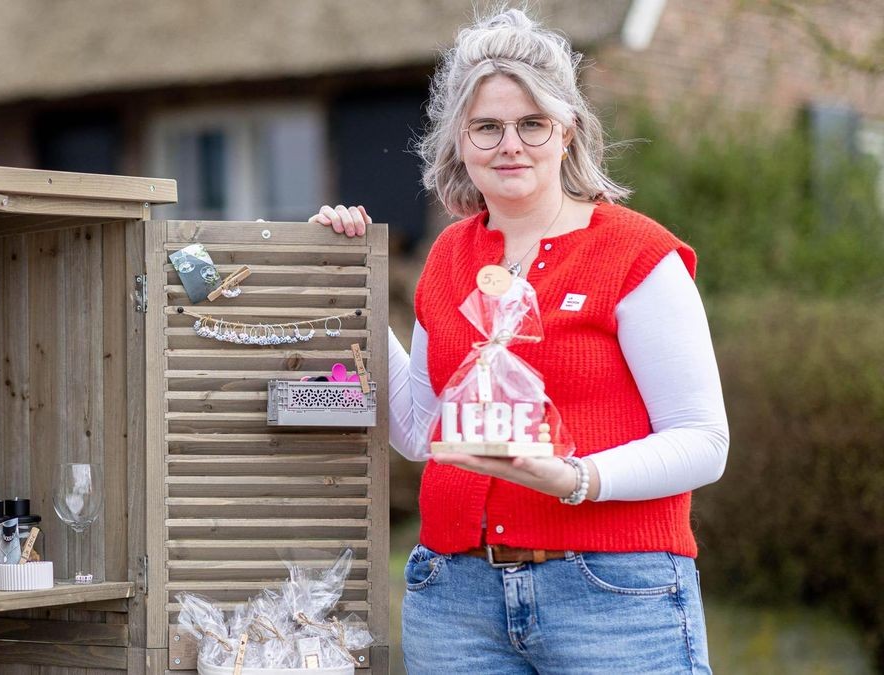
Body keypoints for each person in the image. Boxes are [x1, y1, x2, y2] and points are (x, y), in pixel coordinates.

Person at [310, 8, 729, 674]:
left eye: (532, 124)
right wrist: (350, 278)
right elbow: (421, 429)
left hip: (612, 594)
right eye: (488, 126)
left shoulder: (636, 254)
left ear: (567, 132)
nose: (511, 144)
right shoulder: (448, 257)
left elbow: (705, 440)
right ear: (460, 141)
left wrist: (579, 478)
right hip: (455, 600)